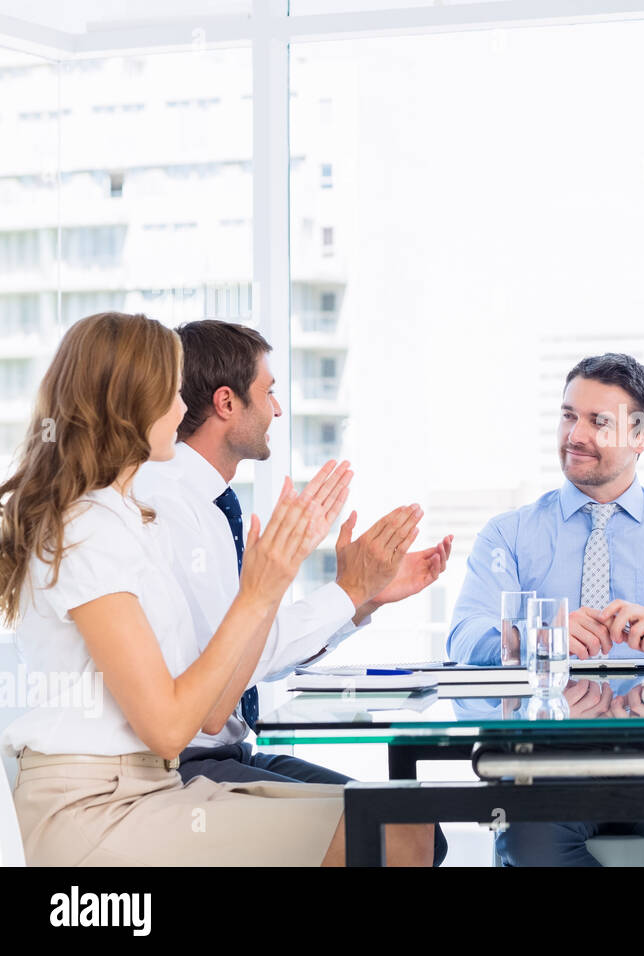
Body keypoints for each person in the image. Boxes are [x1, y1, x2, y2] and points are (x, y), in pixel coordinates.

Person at [0, 311, 436, 865]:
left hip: (148, 788)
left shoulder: (131, 517)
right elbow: (168, 729)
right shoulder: (88, 528)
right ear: (131, 402)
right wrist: (255, 594)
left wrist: (271, 584)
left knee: (405, 824)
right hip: (96, 809)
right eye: (171, 390)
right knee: (387, 836)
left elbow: (212, 710)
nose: (184, 407)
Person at [131, 319, 453, 864]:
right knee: (399, 838)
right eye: (269, 391)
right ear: (227, 402)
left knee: (419, 827)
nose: (277, 410)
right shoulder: (171, 506)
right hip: (188, 764)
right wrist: (348, 593)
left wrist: (361, 598)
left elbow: (247, 652)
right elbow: (225, 671)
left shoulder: (210, 503)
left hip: (229, 748)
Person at [447, 352, 644, 866]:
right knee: (530, 838)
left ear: (642, 436)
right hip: (544, 757)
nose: (575, 434)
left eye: (598, 422)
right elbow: (464, 639)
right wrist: (536, 636)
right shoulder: (508, 535)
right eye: (569, 415)